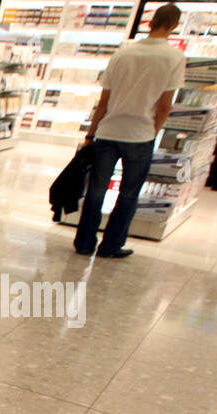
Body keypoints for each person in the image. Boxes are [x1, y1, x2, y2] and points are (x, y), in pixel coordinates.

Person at [76, 3, 185, 259]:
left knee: (96, 189)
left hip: (109, 130)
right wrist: (153, 130)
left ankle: (83, 243)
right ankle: (111, 246)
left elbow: (103, 102)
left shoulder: (123, 54)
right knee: (128, 193)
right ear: (174, 26)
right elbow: (165, 105)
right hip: (141, 133)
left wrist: (91, 134)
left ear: (150, 22)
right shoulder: (174, 57)